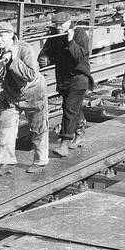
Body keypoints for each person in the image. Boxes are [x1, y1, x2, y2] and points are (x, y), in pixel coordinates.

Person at [0, 20, 48, 178]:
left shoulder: (25, 49)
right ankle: (6, 162)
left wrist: (14, 59)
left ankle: (40, 161)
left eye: (1, 36)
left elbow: (30, 75)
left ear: (11, 36)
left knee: (38, 128)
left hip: (33, 93)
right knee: (4, 127)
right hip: (10, 95)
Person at [48, 19, 92, 157]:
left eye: (61, 24)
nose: (58, 27)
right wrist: (45, 59)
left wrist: (70, 41)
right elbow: (47, 53)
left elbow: (79, 56)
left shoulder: (79, 33)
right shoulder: (54, 36)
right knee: (73, 108)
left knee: (69, 108)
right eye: (56, 25)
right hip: (64, 80)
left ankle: (64, 143)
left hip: (79, 78)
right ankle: (79, 134)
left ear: (69, 23)